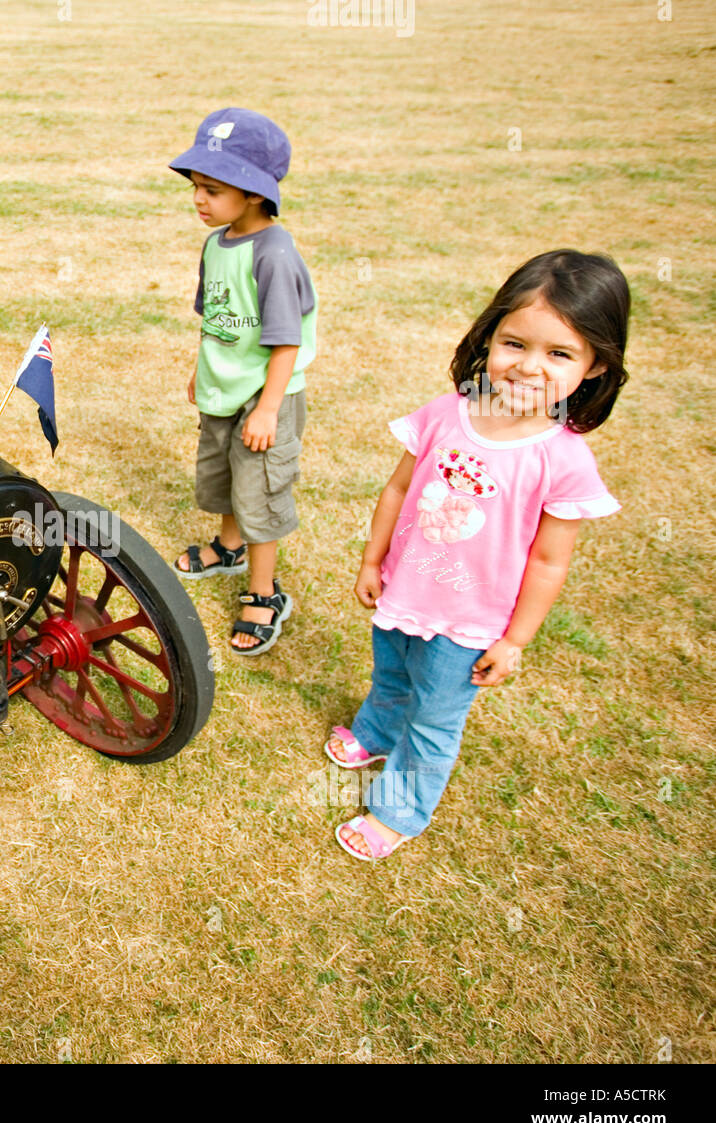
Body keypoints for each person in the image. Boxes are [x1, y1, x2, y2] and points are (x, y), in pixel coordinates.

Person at [329, 249, 629, 860]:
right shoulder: (446, 414)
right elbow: (398, 489)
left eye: (560, 354)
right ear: (488, 337)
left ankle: (398, 812)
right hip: (403, 593)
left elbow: (549, 562)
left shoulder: (562, 459)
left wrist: (514, 640)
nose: (529, 367)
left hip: (470, 626)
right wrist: (371, 560)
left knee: (436, 721)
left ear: (596, 366)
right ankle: (375, 732)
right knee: (390, 676)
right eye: (515, 343)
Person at [168, 108, 318, 656]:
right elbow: (216, 317)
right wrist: (200, 367)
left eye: (212, 189)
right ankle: (228, 547)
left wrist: (268, 409)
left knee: (259, 492)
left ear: (255, 193)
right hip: (223, 387)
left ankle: (264, 591)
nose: (198, 200)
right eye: (196, 187)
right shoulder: (217, 244)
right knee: (224, 475)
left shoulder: (275, 254)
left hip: (264, 394)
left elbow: (285, 341)